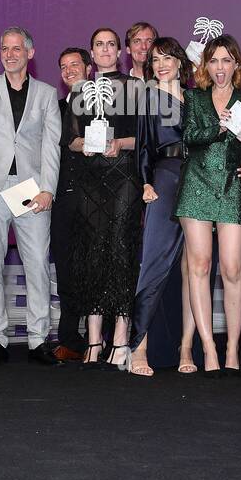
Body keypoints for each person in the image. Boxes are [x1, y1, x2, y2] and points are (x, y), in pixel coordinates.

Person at [0, 27, 63, 367]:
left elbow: (51, 145)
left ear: (30, 53)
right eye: (4, 48)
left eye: (16, 48)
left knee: (36, 265)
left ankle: (39, 341)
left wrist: (49, 187)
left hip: (30, 190)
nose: (9, 54)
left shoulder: (47, 94)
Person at [174, 33, 241, 377]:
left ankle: (233, 348)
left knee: (233, 268)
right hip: (196, 186)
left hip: (232, 187)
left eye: (226, 60)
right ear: (205, 65)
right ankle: (207, 348)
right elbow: (189, 138)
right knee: (199, 265)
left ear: (236, 64)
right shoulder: (193, 97)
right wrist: (221, 127)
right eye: (214, 60)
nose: (220, 67)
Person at [66, 27, 144, 370]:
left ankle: (121, 339)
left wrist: (118, 144)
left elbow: (143, 137)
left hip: (124, 174)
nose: (106, 49)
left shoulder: (135, 87)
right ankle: (94, 339)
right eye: (99, 44)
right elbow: (71, 140)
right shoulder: (79, 90)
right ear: (91, 52)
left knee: (121, 250)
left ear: (120, 51)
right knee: (94, 252)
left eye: (111, 44)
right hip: (90, 178)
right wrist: (88, 144)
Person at [129, 36, 192, 375]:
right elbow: (142, 147)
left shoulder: (197, 98)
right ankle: (138, 348)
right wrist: (146, 182)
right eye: (155, 59)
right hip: (165, 178)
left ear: (181, 61)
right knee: (153, 262)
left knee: (195, 269)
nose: (162, 64)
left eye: (168, 57)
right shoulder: (149, 97)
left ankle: (186, 349)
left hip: (199, 180)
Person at [51, 46, 90, 361]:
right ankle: (69, 338)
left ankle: (98, 340)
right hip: (63, 197)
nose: (69, 70)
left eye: (75, 64)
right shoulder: (56, 106)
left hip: (100, 199)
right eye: (63, 66)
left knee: (96, 268)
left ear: (88, 68)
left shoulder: (110, 103)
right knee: (66, 269)